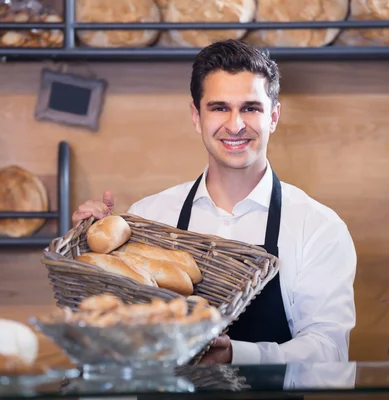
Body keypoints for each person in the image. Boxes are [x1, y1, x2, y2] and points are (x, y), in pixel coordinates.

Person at [72, 39, 357, 366]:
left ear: (274, 117)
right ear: (196, 117)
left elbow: (330, 355)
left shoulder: (318, 227)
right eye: (219, 107)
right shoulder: (147, 217)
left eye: (250, 108)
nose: (235, 125)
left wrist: (237, 355)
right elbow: (111, 340)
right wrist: (91, 251)